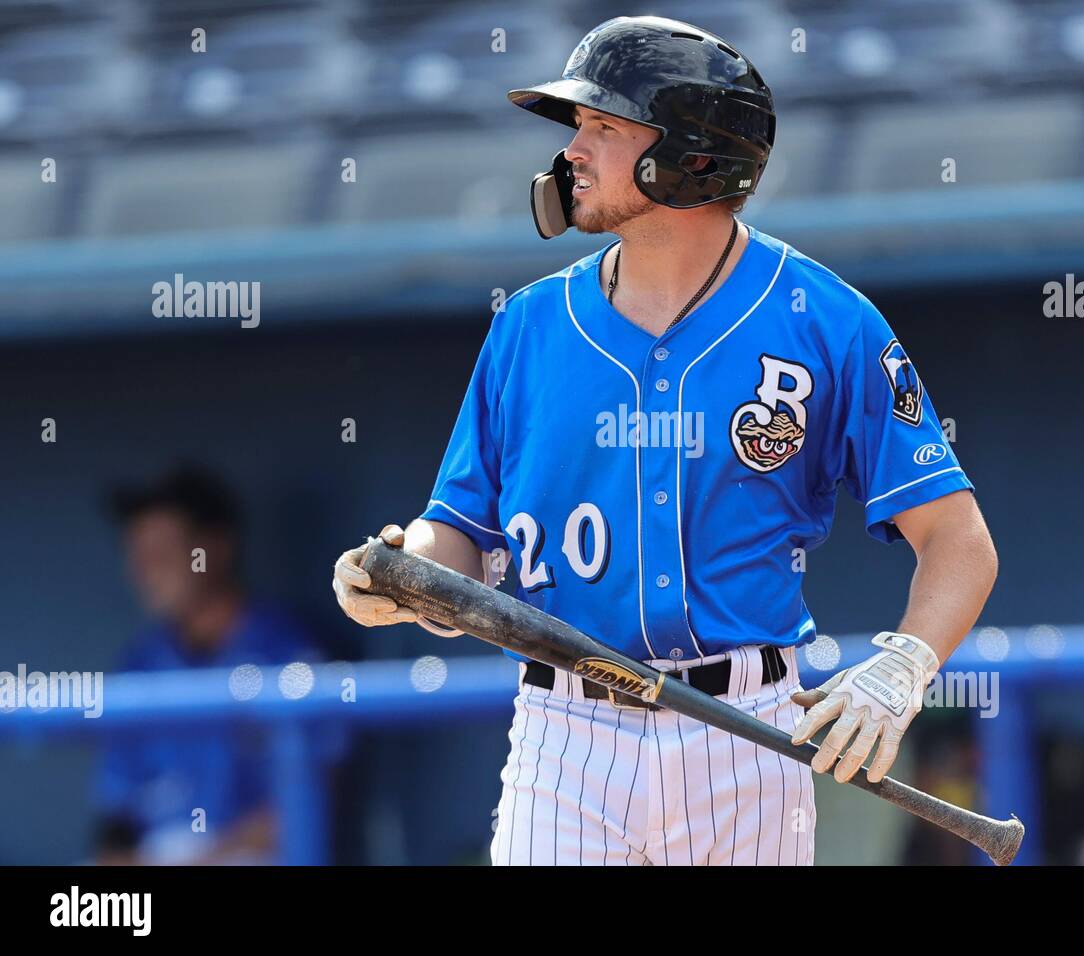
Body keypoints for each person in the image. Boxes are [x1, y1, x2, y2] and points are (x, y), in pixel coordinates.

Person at [334, 16, 997, 866]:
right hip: (566, 731)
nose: (573, 149)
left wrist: (902, 667)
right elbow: (462, 532)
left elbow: (959, 542)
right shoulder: (528, 327)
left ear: (692, 155)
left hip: (749, 735)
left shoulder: (824, 320)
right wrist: (407, 571)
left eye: (605, 128)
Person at [96, 465, 326, 865]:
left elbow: (306, 806)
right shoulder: (141, 662)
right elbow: (115, 819)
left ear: (215, 549)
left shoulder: (287, 651)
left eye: (161, 552)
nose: (144, 570)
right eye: (138, 554)